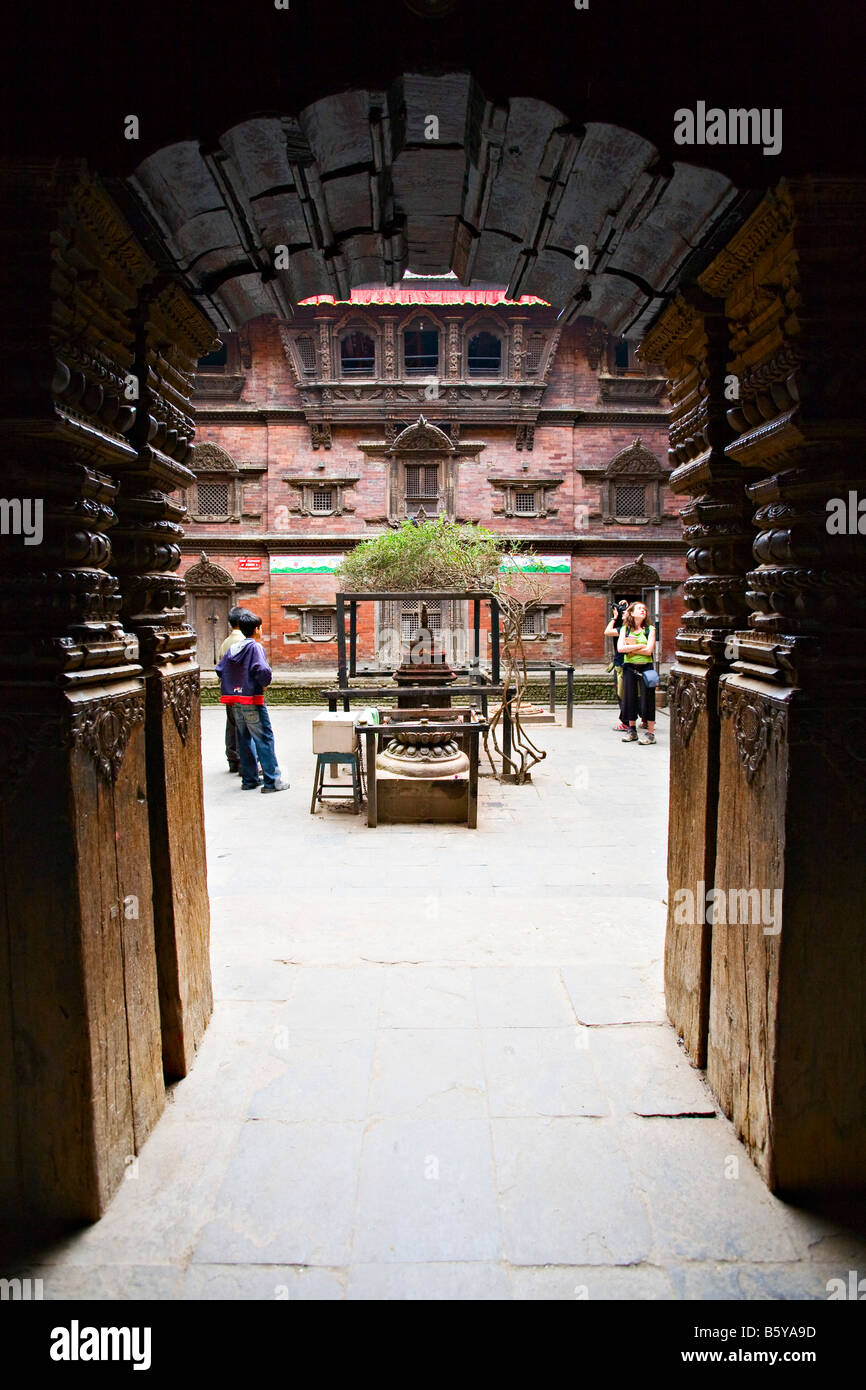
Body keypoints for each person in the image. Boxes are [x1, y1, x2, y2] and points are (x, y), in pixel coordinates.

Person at [216, 611, 288, 792]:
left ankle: (249, 780)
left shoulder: (234, 647)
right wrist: (262, 683)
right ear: (257, 629)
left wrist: (235, 682)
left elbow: (220, 669)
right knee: (264, 737)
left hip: (235, 700)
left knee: (244, 738)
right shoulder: (255, 647)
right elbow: (262, 670)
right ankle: (272, 781)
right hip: (252, 699)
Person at [617, 600, 657, 744]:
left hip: (646, 667)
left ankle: (650, 733)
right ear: (632, 613)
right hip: (629, 667)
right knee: (629, 698)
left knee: (648, 698)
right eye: (639, 608)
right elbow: (620, 649)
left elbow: (649, 650)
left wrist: (632, 648)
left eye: (644, 609)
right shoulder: (625, 629)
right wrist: (641, 645)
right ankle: (631, 730)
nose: (643, 610)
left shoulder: (650, 629)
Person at [218, 607, 245, 772]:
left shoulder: (225, 642)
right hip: (242, 690)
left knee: (231, 724)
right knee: (244, 726)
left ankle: (233, 759)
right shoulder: (245, 641)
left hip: (227, 689)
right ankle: (244, 762)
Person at [603, 599, 629, 731]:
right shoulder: (639, 628)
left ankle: (626, 722)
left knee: (623, 694)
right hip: (631, 664)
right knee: (634, 694)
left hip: (622, 665)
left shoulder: (624, 630)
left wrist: (614, 617)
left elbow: (607, 632)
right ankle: (644, 720)